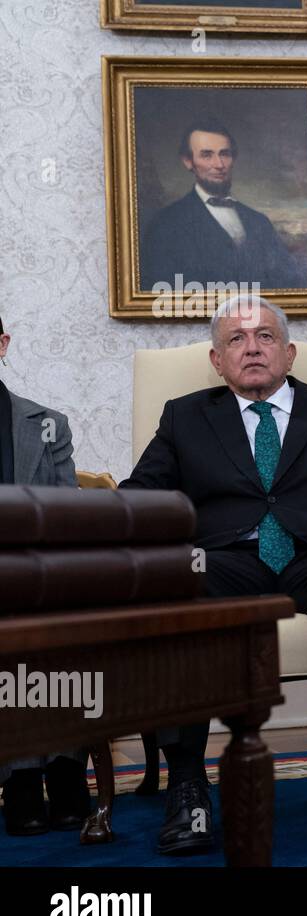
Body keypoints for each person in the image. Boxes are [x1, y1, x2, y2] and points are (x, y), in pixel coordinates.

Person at [119, 295, 307, 854]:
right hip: (229, 560)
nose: (252, 348)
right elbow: (142, 492)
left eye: (266, 337)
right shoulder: (185, 417)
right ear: (217, 360)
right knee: (180, 576)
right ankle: (187, 784)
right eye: (236, 340)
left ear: (290, 353)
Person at [0, 315, 94, 836]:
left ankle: (63, 768)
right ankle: (19, 777)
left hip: (36, 566)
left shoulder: (47, 423)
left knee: (61, 609)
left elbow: (64, 512)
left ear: (4, 344)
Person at [139, 119, 307, 292]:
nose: (219, 165)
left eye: (225, 154)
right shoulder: (165, 224)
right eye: (207, 155)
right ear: (188, 161)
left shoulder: (259, 222)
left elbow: (289, 285)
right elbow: (163, 295)